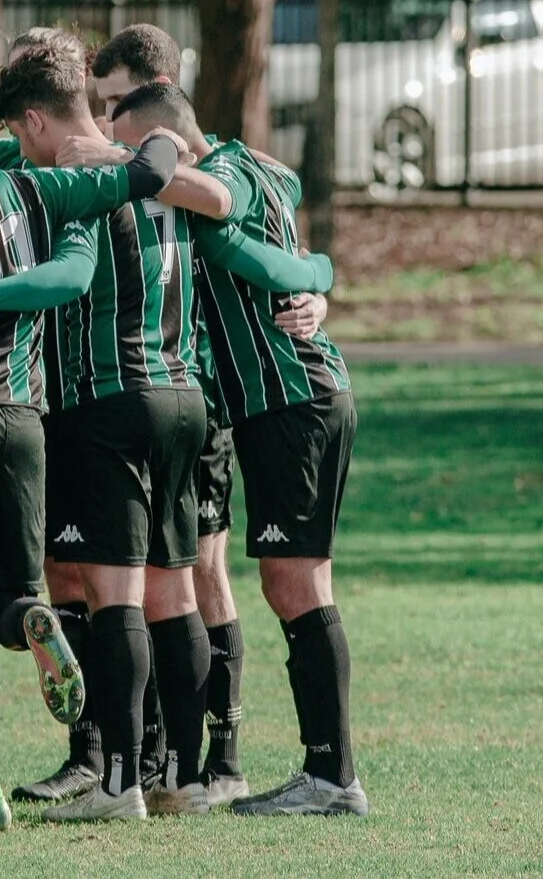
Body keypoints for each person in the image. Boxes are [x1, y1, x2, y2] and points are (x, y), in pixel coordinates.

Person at [0, 43, 289, 822]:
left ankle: (118, 782)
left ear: (35, 121)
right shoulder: (159, 170)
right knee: (172, 591)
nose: (19, 149)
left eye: (19, 134)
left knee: (113, 594)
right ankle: (183, 776)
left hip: (108, 400)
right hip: (184, 397)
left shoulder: (76, 180)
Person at [0, 80, 178, 830]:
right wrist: (148, 139)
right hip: (23, 421)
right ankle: (32, 618)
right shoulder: (42, 191)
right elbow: (151, 172)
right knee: (11, 596)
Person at [107, 82, 368, 817]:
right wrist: (317, 276)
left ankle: (332, 778)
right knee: (291, 584)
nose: (132, 165)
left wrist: (118, 162)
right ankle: (326, 773)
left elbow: (220, 204)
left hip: (292, 398)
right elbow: (297, 247)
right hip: (288, 400)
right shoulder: (262, 165)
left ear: (167, 141)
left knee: (297, 585)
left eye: (135, 149)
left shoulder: (221, 174)